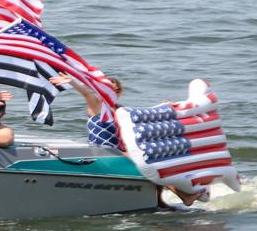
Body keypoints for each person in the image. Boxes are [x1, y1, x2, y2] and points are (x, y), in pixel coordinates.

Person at [51, 74, 205, 206]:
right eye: (109, 89)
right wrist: (71, 81)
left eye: (116, 90)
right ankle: (184, 197)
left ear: (120, 92)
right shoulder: (96, 105)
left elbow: (144, 116)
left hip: (118, 151)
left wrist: (165, 106)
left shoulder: (120, 109)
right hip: (101, 150)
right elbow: (86, 94)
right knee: (147, 161)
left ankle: (160, 200)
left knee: (156, 159)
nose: (113, 92)